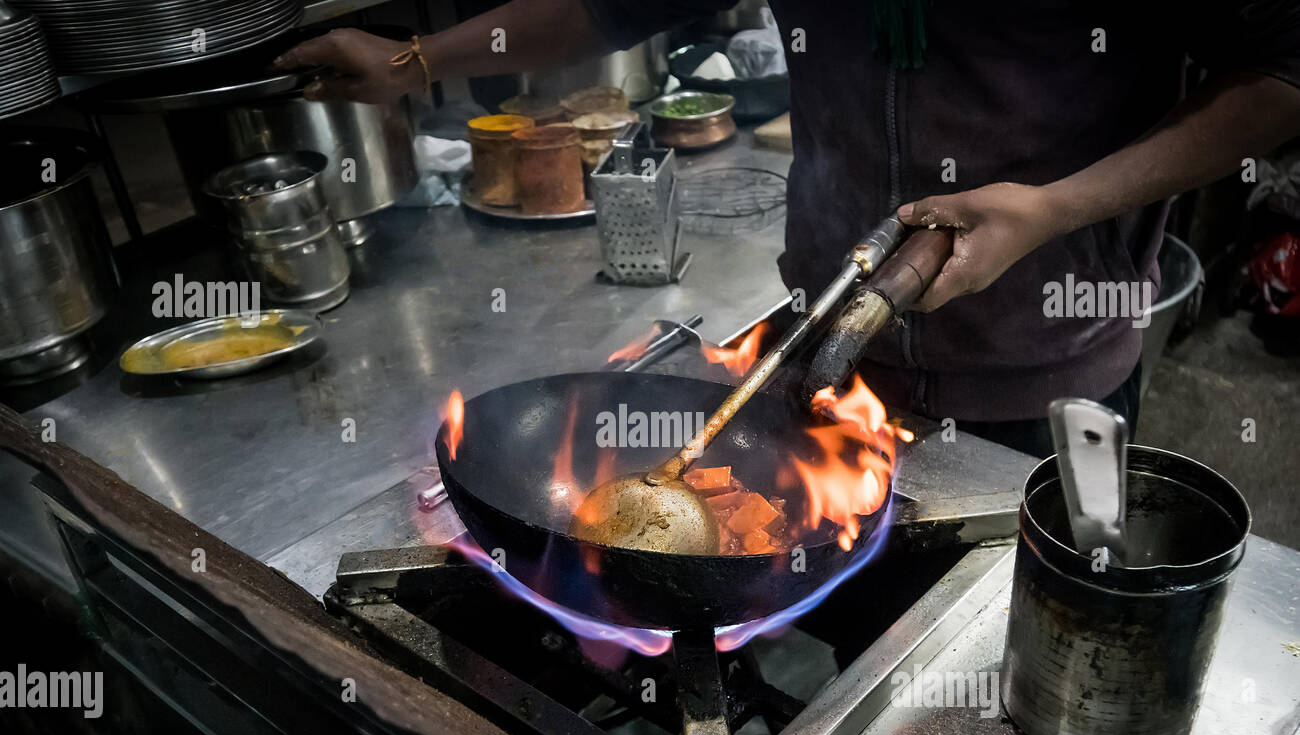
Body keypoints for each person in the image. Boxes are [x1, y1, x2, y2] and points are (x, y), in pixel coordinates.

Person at [272, 1, 1300, 457]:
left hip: (1049, 367)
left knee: (1017, 690)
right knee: (862, 682)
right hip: (834, 352)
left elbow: (1278, 76)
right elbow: (610, 5)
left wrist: (1049, 209)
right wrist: (410, 64)